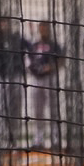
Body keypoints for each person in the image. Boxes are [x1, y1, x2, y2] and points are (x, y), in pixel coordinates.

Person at [25, 21, 64, 151]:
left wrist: (50, 67)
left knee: (54, 110)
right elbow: (29, 60)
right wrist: (32, 67)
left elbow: (61, 61)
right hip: (36, 79)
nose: (43, 31)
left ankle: (55, 139)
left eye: (45, 28)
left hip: (50, 79)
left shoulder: (54, 45)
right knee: (38, 112)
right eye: (41, 28)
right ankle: (38, 139)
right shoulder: (34, 45)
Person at [0, 17, 27, 149]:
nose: (3, 25)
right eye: (1, 22)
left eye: (5, 22)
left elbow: (29, 50)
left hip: (14, 77)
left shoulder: (16, 38)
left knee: (14, 107)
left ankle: (13, 136)